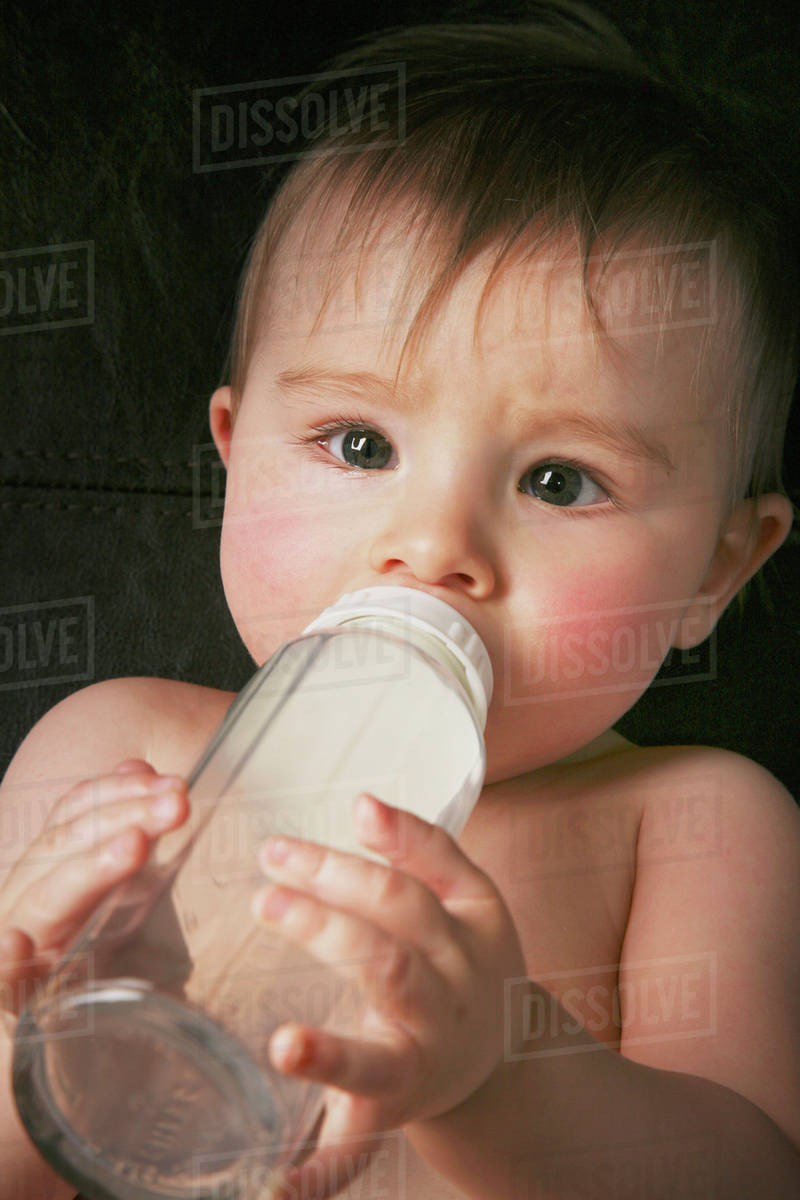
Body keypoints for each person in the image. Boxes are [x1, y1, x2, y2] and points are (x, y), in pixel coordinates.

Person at [1, 3, 799, 1197]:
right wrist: (31, 1030)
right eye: (359, 445)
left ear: (714, 571)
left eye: (557, 480)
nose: (432, 546)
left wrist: (498, 1083)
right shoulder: (124, 763)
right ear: (232, 454)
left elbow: (752, 1174)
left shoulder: (690, 828)